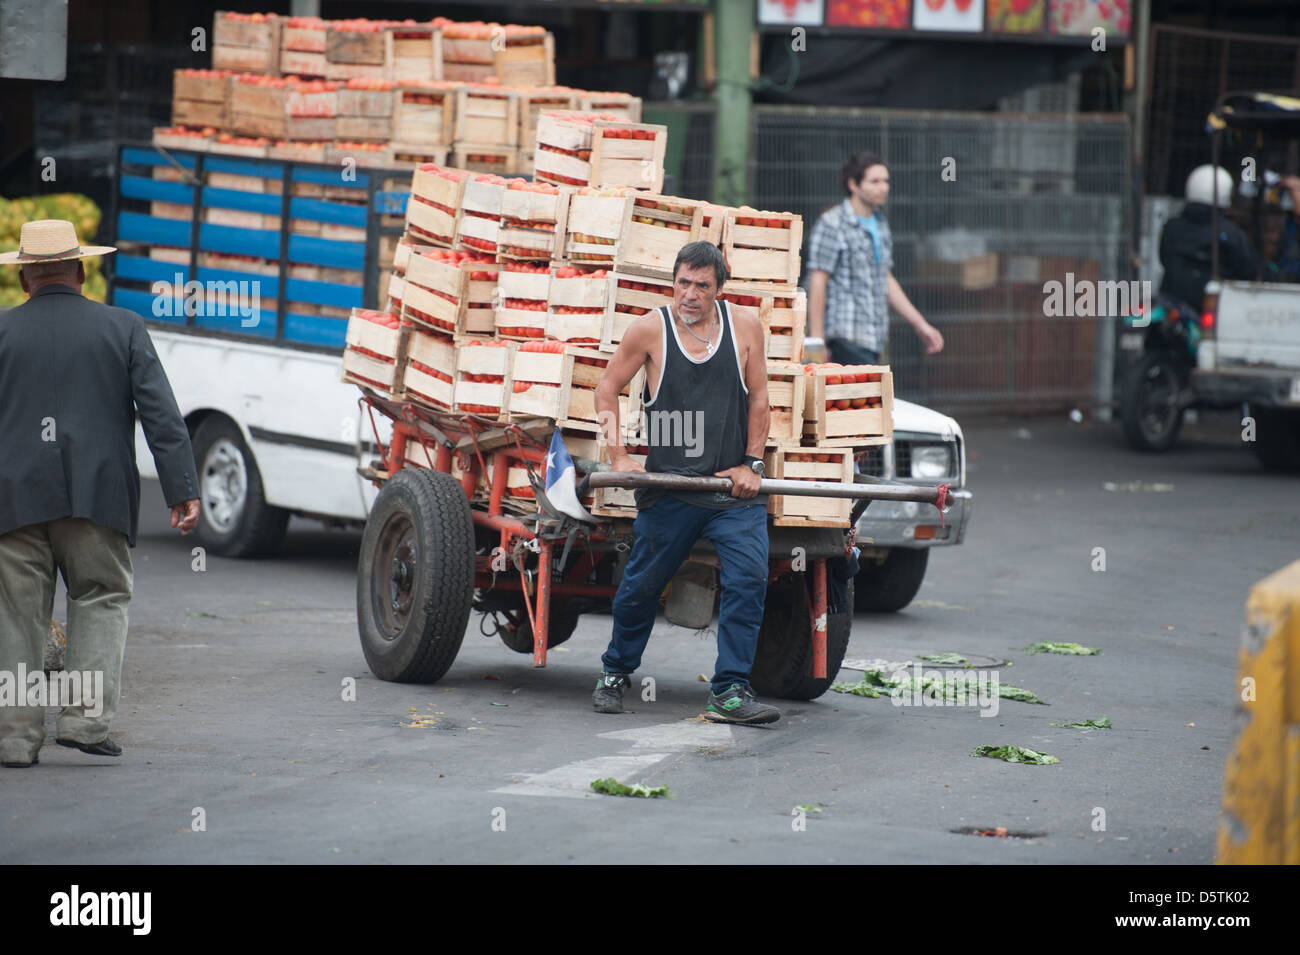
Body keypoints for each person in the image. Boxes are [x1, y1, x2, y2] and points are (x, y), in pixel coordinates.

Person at [0, 219, 201, 768]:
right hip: (97, 496)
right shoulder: (124, 328)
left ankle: (15, 740)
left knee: (17, 615)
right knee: (99, 597)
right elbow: (160, 414)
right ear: (82, 271)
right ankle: (85, 725)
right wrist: (182, 488)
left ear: (23, 278)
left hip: (13, 500)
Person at [591, 241, 779, 725]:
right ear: (672, 282)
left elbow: (760, 399)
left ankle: (730, 691)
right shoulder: (650, 329)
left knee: (749, 581)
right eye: (683, 283)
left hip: (729, 494)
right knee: (640, 585)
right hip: (671, 490)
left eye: (702, 286)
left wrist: (752, 465)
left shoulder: (745, 327)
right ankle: (615, 672)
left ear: (720, 289)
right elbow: (606, 388)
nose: (690, 295)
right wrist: (619, 454)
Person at [805, 151, 943, 366]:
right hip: (843, 337)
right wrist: (816, 342)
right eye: (875, 181)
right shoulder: (831, 223)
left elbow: (885, 278)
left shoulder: (880, 223)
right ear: (853, 184)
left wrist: (920, 324)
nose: (883, 187)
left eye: (886, 181)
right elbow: (818, 280)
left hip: (874, 337)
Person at [1158, 164, 1258, 310]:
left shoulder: (1172, 227)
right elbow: (1247, 270)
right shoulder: (1231, 234)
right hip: (1212, 307)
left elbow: (1164, 258)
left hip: (1171, 303)